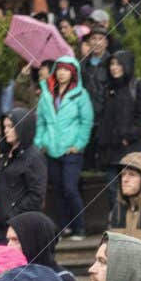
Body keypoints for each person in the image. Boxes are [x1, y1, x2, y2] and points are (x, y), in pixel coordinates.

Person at [36, 56, 94, 237]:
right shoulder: (46, 94)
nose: (62, 73)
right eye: (59, 69)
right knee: (58, 189)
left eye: (66, 70)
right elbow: (41, 121)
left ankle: (80, 227)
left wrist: (79, 144)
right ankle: (64, 227)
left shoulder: (81, 95)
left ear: (73, 73)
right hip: (51, 149)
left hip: (71, 150)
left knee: (70, 188)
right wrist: (40, 142)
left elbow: (86, 121)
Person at [93, 48, 141, 186]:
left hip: (131, 148)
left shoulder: (137, 86)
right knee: (113, 190)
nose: (114, 68)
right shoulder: (108, 88)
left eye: (119, 64)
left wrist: (127, 136)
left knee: (132, 188)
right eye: (112, 64)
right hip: (110, 151)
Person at [0, 108, 47, 241]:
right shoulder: (5, 154)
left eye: (11, 126)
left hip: (17, 227)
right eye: (5, 126)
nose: (6, 131)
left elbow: (36, 195)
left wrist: (12, 215)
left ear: (22, 127)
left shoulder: (34, 157)